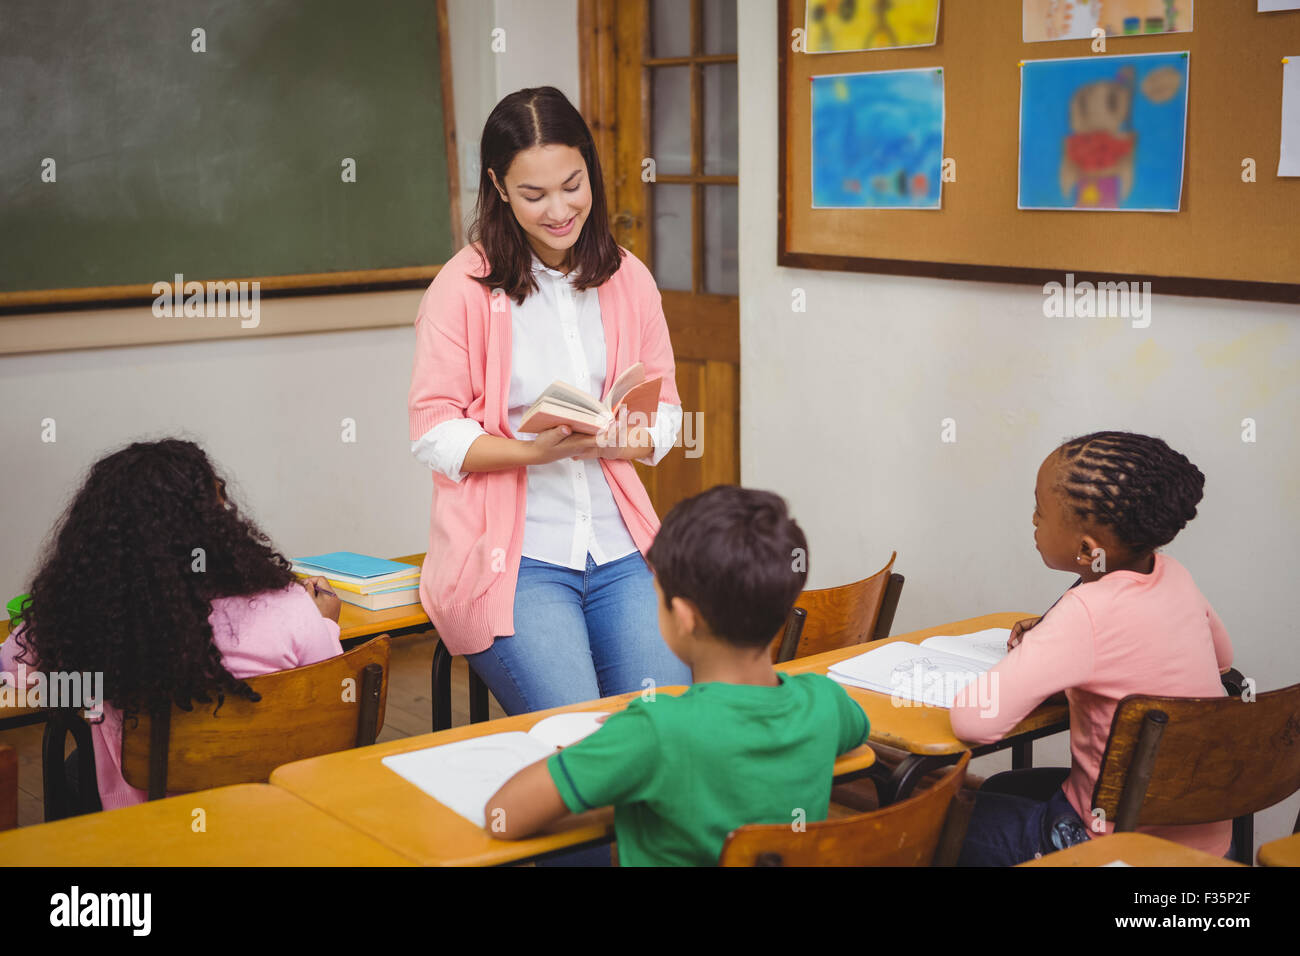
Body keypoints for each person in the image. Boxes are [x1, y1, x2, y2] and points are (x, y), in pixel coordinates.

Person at [408, 86, 690, 715]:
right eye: (534, 195)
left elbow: (665, 409)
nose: (560, 210)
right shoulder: (462, 288)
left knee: (664, 724)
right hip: (515, 563)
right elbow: (433, 430)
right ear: (499, 188)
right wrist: (531, 453)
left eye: (573, 184)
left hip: (619, 551)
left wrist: (625, 439)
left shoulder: (628, 276)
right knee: (581, 735)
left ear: (590, 167)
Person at [484, 485, 870, 866]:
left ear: (683, 617)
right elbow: (855, 733)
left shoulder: (653, 731)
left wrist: (610, 746)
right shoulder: (825, 702)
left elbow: (503, 816)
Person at [0, 438, 342, 811]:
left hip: (146, 828)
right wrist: (325, 625)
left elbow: (14, 673)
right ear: (217, 521)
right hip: (272, 816)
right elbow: (328, 700)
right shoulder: (291, 608)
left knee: (73, 769)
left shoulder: (91, 622)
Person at [950, 430, 1234, 865]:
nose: (1033, 521)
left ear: (1086, 549)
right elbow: (1223, 660)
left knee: (943, 822)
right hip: (1202, 838)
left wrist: (1050, 642)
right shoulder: (1174, 574)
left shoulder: (1086, 611)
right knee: (1001, 787)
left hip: (1111, 845)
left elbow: (973, 721)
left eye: (1040, 512)